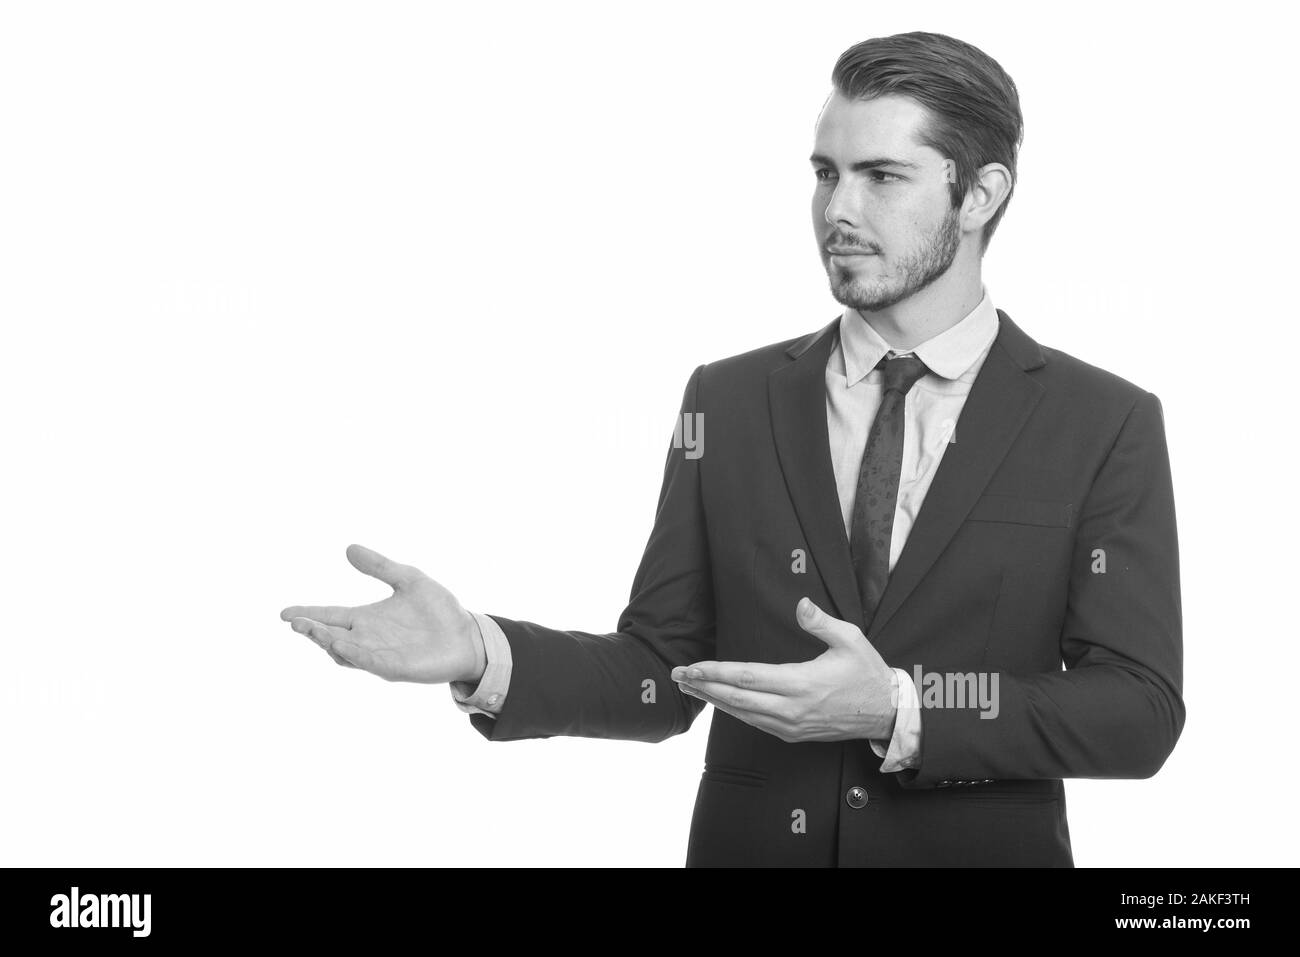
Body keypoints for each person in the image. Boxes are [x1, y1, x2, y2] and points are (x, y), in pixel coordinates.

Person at [280, 31, 1184, 867]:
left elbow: (1137, 709)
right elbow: (663, 670)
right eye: (825, 173)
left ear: (979, 193)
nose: (839, 208)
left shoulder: (1102, 421)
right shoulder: (728, 398)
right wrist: (484, 651)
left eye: (881, 176)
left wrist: (905, 705)